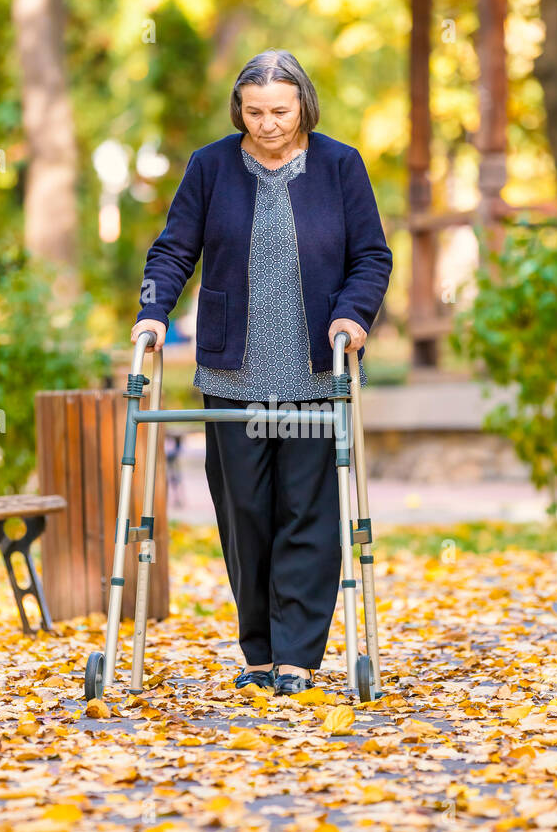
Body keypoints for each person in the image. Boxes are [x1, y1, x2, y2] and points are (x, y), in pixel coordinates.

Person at [131, 49, 392, 696]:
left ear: (303, 103)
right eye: (254, 112)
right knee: (245, 515)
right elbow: (173, 250)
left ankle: (298, 658)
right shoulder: (211, 166)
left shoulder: (339, 165)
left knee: (305, 512)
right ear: (238, 110)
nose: (268, 123)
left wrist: (354, 317)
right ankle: (258, 653)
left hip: (311, 375)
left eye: (280, 110)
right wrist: (154, 311)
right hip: (234, 376)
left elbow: (371, 257)